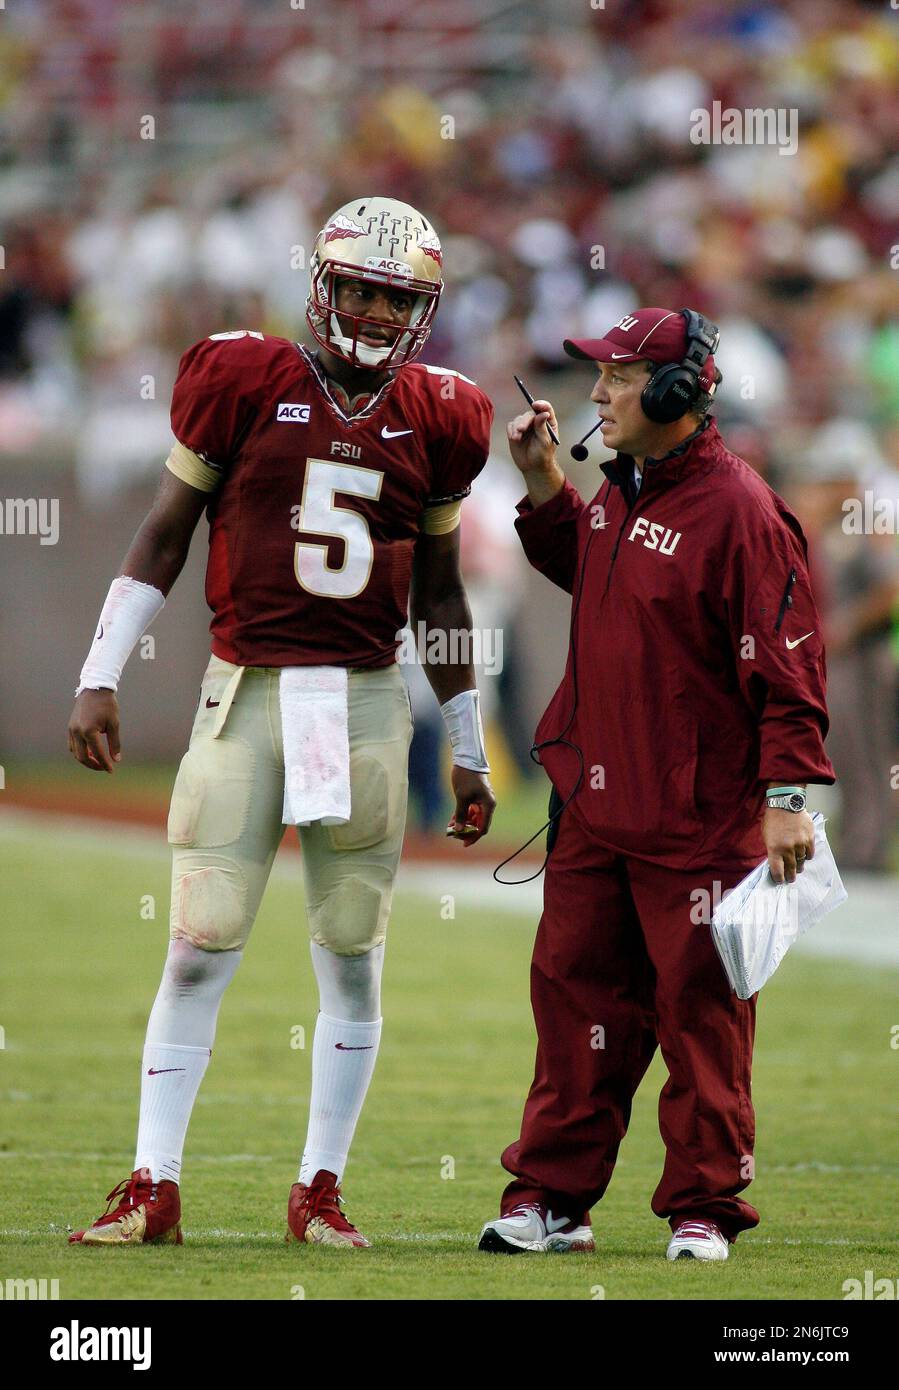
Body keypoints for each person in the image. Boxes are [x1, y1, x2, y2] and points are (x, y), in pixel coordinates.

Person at [66, 196, 496, 1248]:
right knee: (199, 942)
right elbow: (165, 532)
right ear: (322, 286)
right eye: (357, 288)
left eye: (395, 298)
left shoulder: (442, 416)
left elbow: (438, 595)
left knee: (352, 954)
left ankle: (319, 1190)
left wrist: (473, 748)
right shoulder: (246, 380)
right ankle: (151, 1184)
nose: (372, 310)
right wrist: (98, 673)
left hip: (358, 703)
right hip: (250, 690)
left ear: (422, 309)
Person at [478, 307, 835, 1261]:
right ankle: (552, 1199)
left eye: (619, 376)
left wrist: (789, 797)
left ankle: (702, 1209)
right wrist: (543, 485)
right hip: (594, 805)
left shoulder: (742, 510)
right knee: (572, 1009)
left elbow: (789, 664)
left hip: (696, 817)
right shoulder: (617, 489)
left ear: (678, 391)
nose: (595, 393)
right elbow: (594, 570)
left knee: (700, 1022)